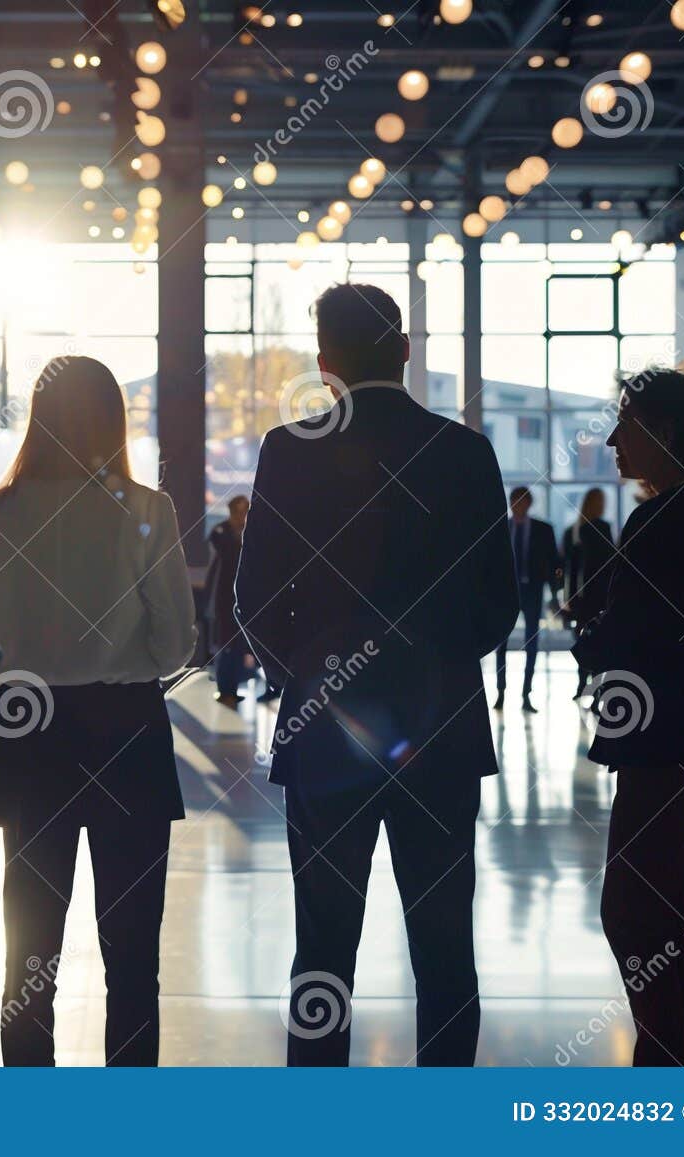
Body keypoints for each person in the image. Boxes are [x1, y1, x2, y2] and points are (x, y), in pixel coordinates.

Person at [235, 283, 517, 1066]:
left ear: (324, 362)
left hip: (326, 735)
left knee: (323, 945)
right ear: (403, 350)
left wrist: (317, 676)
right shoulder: (464, 452)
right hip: (443, 736)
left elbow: (254, 598)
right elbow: (499, 603)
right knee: (444, 946)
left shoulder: (289, 452)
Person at [0, 355, 196, 1067]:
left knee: (29, 949)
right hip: (126, 729)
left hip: (29, 732)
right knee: (131, 954)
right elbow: (177, 642)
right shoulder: (147, 509)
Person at [573, 368, 684, 1066]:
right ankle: (669, 1063)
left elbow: (632, 630)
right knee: (666, 911)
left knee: (634, 911)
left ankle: (662, 1067)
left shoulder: (661, 518)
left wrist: (589, 632)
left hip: (665, 738)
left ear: (662, 432)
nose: (614, 439)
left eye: (626, 423)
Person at [494, 486, 562, 714]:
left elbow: (555, 564)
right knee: (500, 644)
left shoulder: (544, 530)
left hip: (532, 592)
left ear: (529, 504)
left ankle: (526, 694)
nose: (518, 506)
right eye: (515, 501)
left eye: (522, 501)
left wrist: (555, 595)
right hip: (504, 594)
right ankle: (500, 692)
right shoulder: (500, 528)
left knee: (531, 644)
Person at [206, 495, 265, 705]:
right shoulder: (221, 532)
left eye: (245, 511)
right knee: (225, 644)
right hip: (223, 599)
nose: (242, 516)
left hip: (246, 598)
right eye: (239, 511)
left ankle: (235, 686)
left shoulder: (251, 534)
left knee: (242, 645)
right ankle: (225, 689)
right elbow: (226, 553)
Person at [560, 487, 615, 699]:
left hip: (581, 596)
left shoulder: (573, 531)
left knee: (583, 640)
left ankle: (581, 684)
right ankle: (595, 688)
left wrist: (569, 596)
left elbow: (569, 569)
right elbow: (610, 563)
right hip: (599, 595)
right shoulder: (601, 528)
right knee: (597, 641)